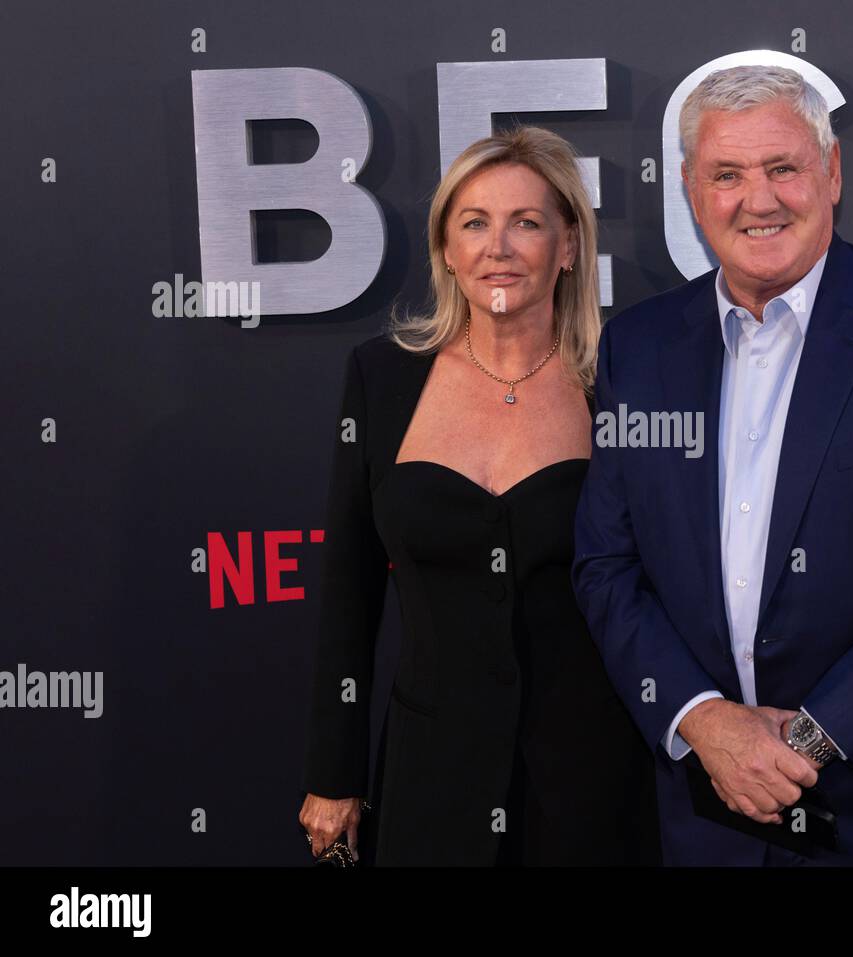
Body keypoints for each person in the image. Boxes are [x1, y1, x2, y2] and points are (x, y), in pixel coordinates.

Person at [572, 65, 853, 865]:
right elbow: (607, 565)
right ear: (690, 189)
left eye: (783, 167)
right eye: (727, 175)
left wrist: (810, 740)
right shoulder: (638, 348)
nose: (758, 200)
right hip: (712, 819)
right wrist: (704, 721)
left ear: (832, 173)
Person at [298, 126, 659, 866]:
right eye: (474, 223)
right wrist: (335, 774)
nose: (498, 246)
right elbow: (349, 591)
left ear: (567, 248)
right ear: (446, 251)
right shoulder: (382, 379)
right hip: (432, 777)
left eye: (526, 222)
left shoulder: (622, 383)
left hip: (592, 779)